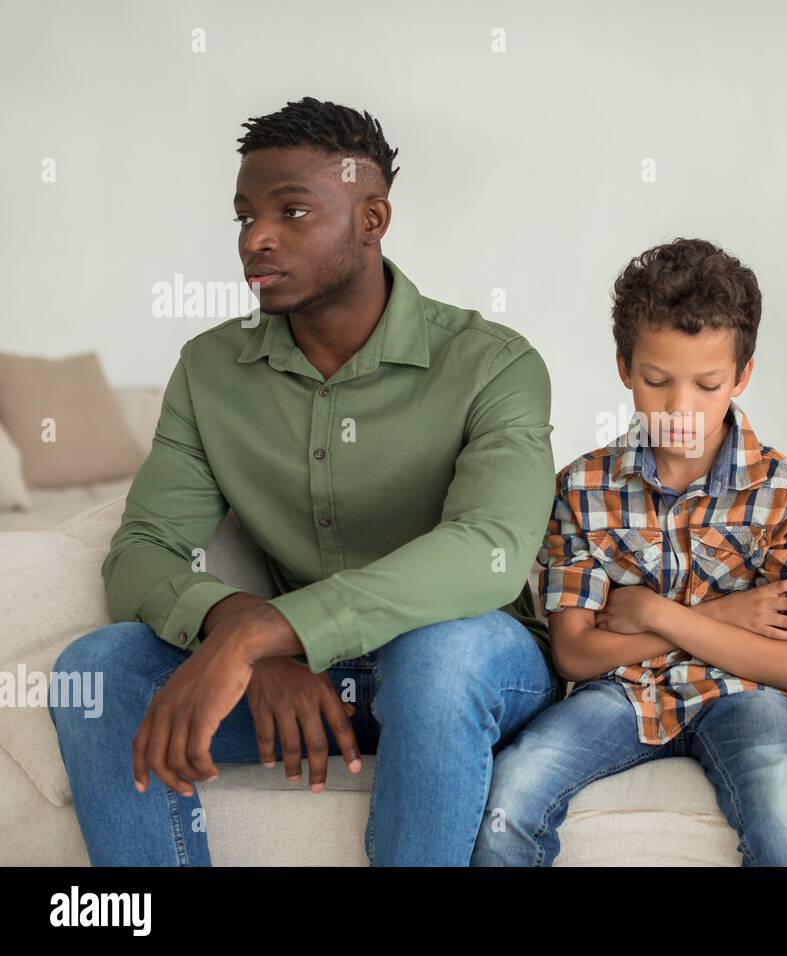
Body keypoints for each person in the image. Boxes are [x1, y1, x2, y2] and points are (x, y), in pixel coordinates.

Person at [48, 96, 560, 866]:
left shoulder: (493, 363)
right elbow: (143, 549)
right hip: (302, 678)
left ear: (371, 219)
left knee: (437, 660)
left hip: (468, 668)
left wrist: (268, 631)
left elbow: (488, 550)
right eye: (245, 216)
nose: (257, 238)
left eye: (292, 211)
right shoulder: (211, 370)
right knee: (97, 670)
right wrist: (252, 638)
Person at [471, 238, 787, 866]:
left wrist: (651, 611)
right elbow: (576, 655)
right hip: (618, 694)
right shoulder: (583, 488)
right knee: (507, 797)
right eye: (656, 381)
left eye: (708, 384)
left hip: (748, 695)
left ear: (743, 375)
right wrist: (728, 615)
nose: (680, 408)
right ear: (624, 367)